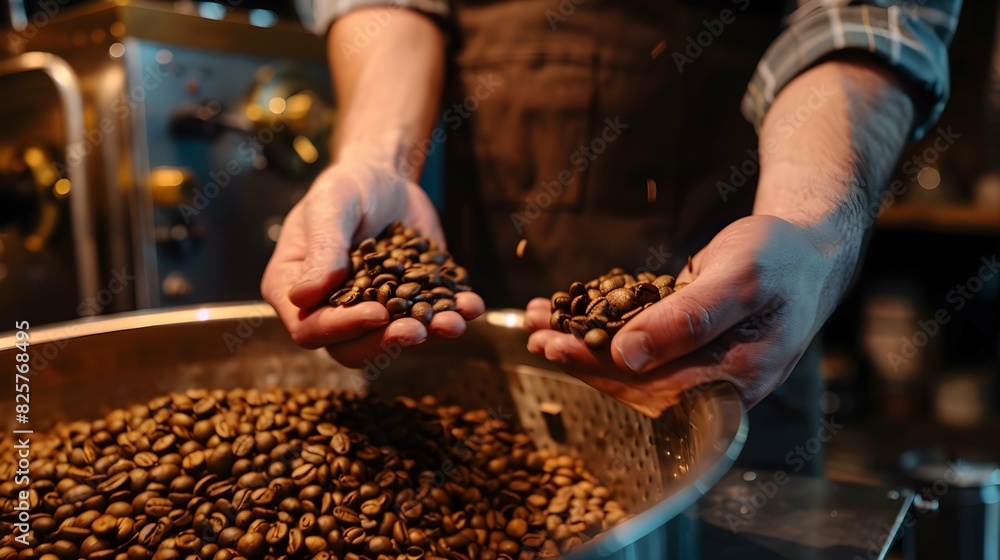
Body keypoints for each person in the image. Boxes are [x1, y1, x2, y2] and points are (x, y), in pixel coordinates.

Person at [263, 0, 960, 471]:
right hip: (462, 299)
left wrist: (809, 231)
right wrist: (376, 162)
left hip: (739, 305)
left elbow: (868, 18)